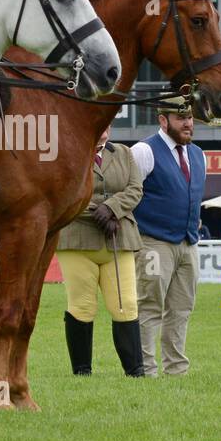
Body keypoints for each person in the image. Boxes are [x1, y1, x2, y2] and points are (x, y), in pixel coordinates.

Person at [55, 127, 145, 376]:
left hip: (119, 238)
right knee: (82, 305)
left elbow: (135, 189)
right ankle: (82, 372)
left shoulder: (125, 154)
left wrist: (113, 208)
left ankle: (136, 372)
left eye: (107, 124)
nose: (103, 129)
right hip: (77, 240)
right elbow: (65, 193)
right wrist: (100, 212)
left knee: (125, 304)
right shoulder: (67, 152)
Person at [131, 97, 206, 377]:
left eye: (190, 118)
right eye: (181, 118)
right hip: (153, 241)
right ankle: (146, 369)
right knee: (149, 305)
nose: (188, 123)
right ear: (163, 120)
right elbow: (128, 194)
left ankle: (176, 370)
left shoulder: (199, 154)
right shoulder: (143, 151)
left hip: (188, 243)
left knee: (182, 308)